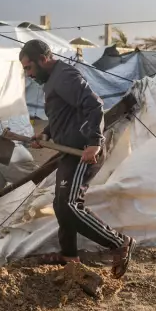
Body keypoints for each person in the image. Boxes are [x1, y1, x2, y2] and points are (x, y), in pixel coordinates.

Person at [19, 39, 135, 278]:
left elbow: (93, 105)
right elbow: (64, 113)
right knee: (61, 206)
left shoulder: (64, 76)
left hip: (83, 152)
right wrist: (46, 133)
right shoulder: (52, 80)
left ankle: (119, 243)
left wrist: (94, 142)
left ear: (44, 59)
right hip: (68, 151)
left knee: (71, 205)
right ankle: (69, 256)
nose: (28, 74)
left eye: (29, 67)